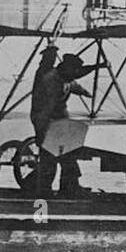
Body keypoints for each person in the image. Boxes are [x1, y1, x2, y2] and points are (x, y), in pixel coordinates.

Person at [29, 52, 102, 199]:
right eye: (74, 71)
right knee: (51, 154)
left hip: (59, 119)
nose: (76, 74)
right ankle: (46, 189)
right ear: (67, 68)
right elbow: (47, 107)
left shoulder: (65, 77)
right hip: (46, 119)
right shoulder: (50, 79)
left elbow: (76, 82)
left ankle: (69, 186)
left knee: (68, 152)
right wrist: (46, 129)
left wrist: (96, 69)